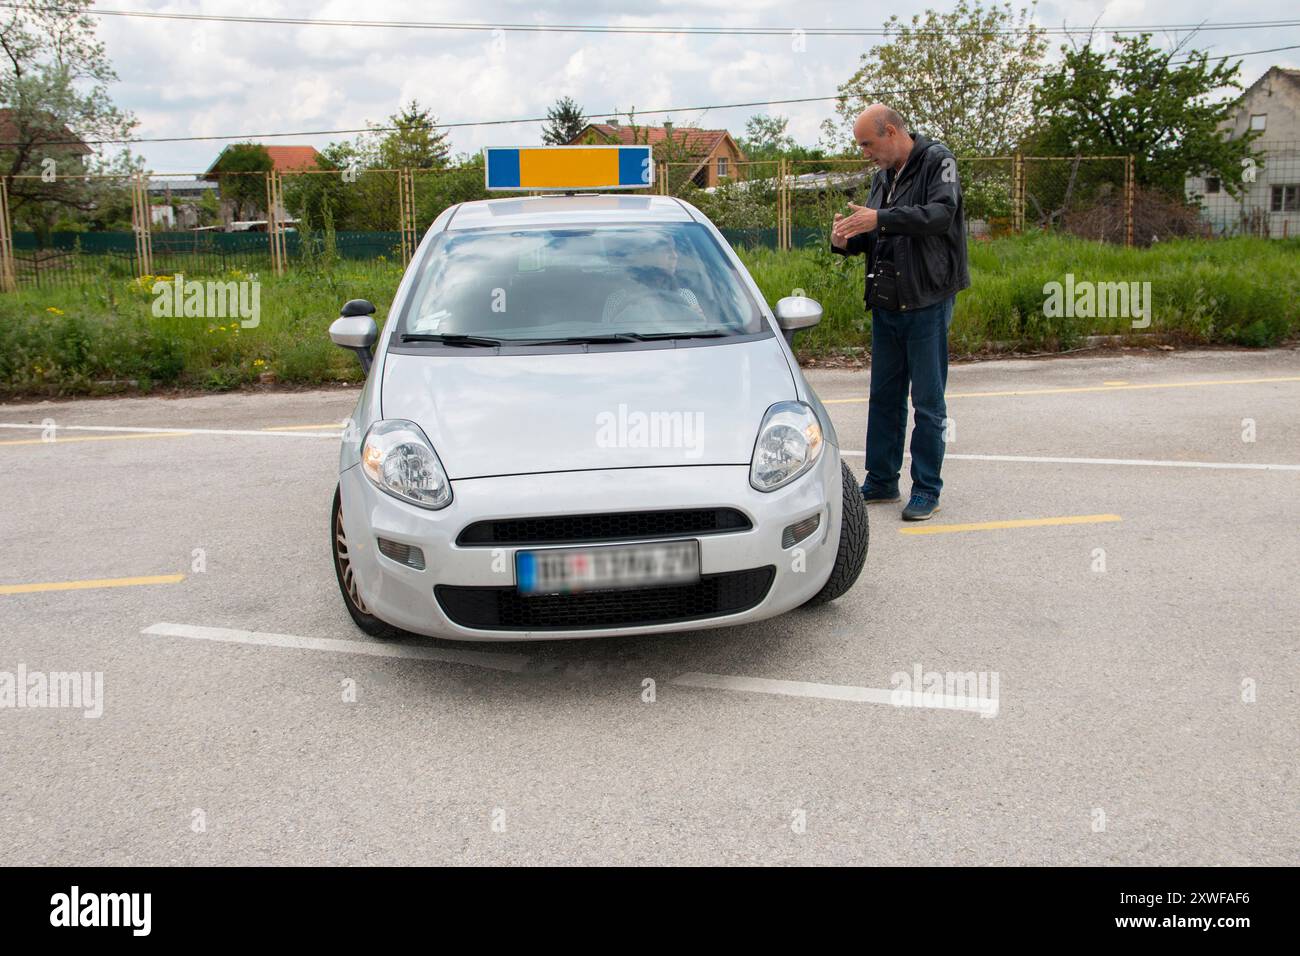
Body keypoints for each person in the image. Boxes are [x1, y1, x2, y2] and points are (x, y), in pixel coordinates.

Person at [831, 104, 969, 521]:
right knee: (884, 397)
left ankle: (927, 489)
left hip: (926, 299)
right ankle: (882, 480)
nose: (865, 153)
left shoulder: (937, 161)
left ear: (891, 132)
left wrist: (881, 218)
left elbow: (940, 215)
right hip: (886, 301)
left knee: (927, 401)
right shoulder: (881, 178)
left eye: (867, 144)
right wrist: (845, 238)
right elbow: (877, 234)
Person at [602, 233, 705, 324]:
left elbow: (699, 332)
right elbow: (607, 339)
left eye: (674, 249)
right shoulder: (617, 300)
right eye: (666, 250)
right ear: (647, 256)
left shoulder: (686, 296)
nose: (675, 256)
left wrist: (699, 320)